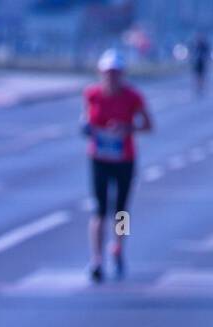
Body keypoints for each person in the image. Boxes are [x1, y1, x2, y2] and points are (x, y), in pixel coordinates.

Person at [81, 48, 152, 282]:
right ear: (101, 73)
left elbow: (148, 125)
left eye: (115, 73)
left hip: (124, 158)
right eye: (107, 73)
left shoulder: (133, 97)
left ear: (122, 74)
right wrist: (90, 129)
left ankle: (118, 248)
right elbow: (86, 121)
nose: (111, 77)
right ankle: (97, 259)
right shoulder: (92, 94)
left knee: (121, 211)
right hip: (99, 157)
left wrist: (127, 129)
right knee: (99, 209)